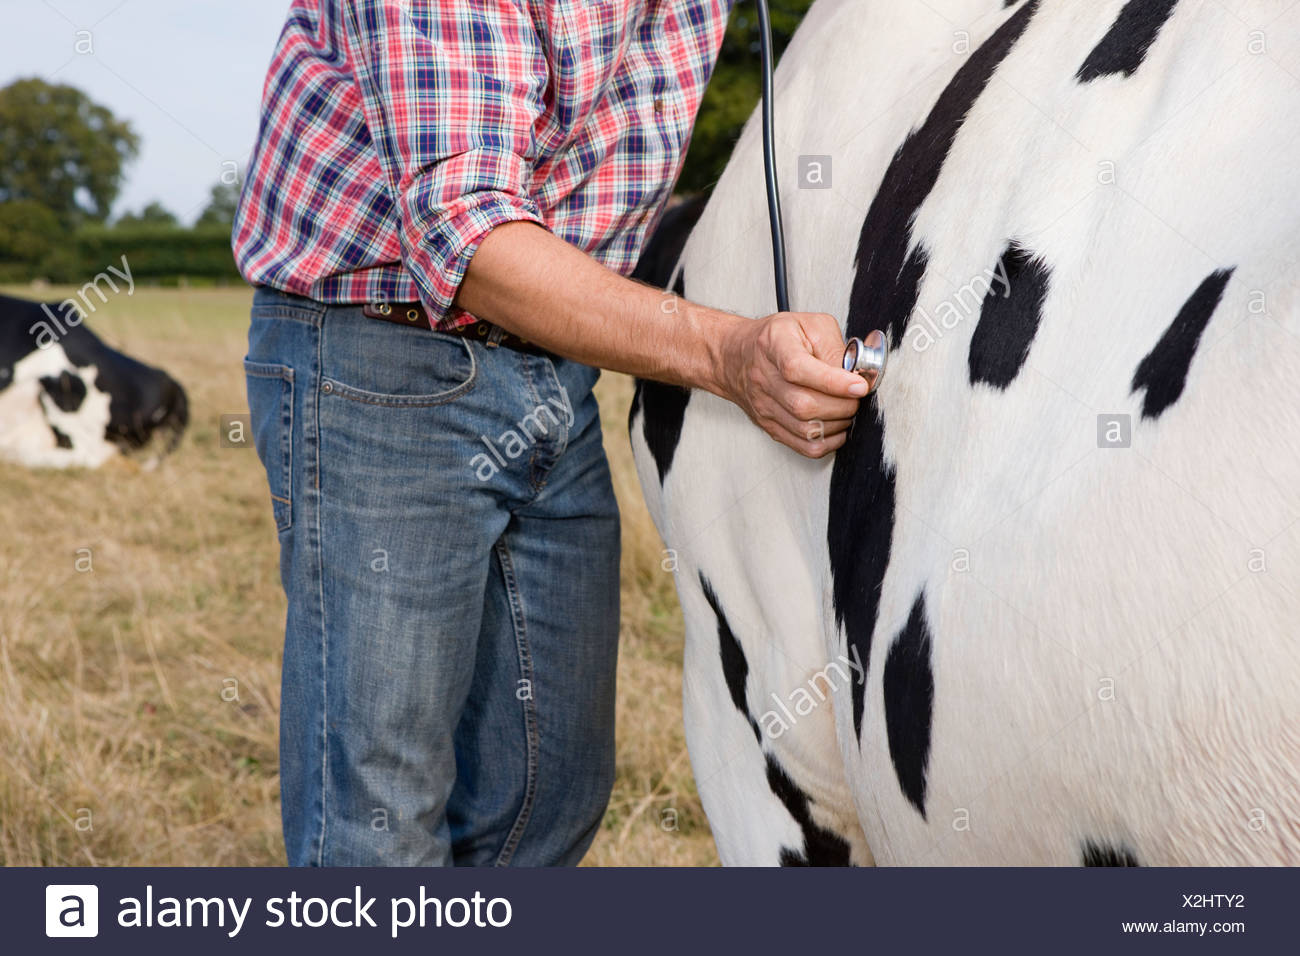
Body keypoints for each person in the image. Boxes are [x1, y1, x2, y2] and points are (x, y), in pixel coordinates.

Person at [233, 0, 868, 867]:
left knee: (547, 788)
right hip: (380, 358)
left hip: (556, 364)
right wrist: (729, 353)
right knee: (379, 809)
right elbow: (469, 233)